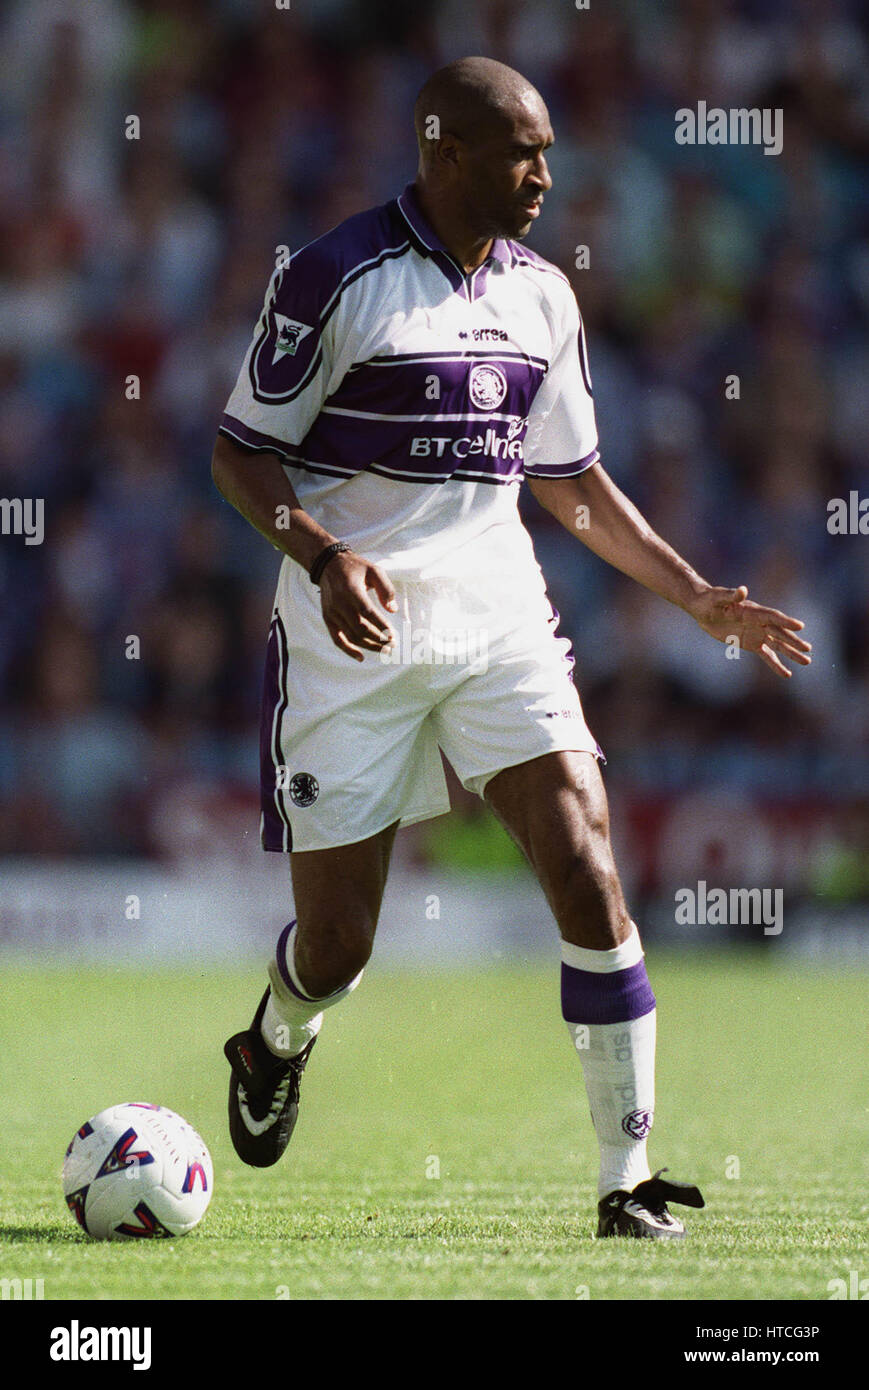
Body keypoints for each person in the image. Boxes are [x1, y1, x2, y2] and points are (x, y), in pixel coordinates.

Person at [212, 56, 811, 1239]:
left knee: (587, 862)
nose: (544, 174)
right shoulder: (334, 278)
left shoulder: (544, 293)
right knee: (337, 946)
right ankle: (277, 1034)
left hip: (495, 613)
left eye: (546, 149)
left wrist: (696, 595)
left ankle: (623, 1177)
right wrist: (326, 559)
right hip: (352, 631)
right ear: (441, 151)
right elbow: (238, 456)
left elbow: (573, 486)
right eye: (519, 151)